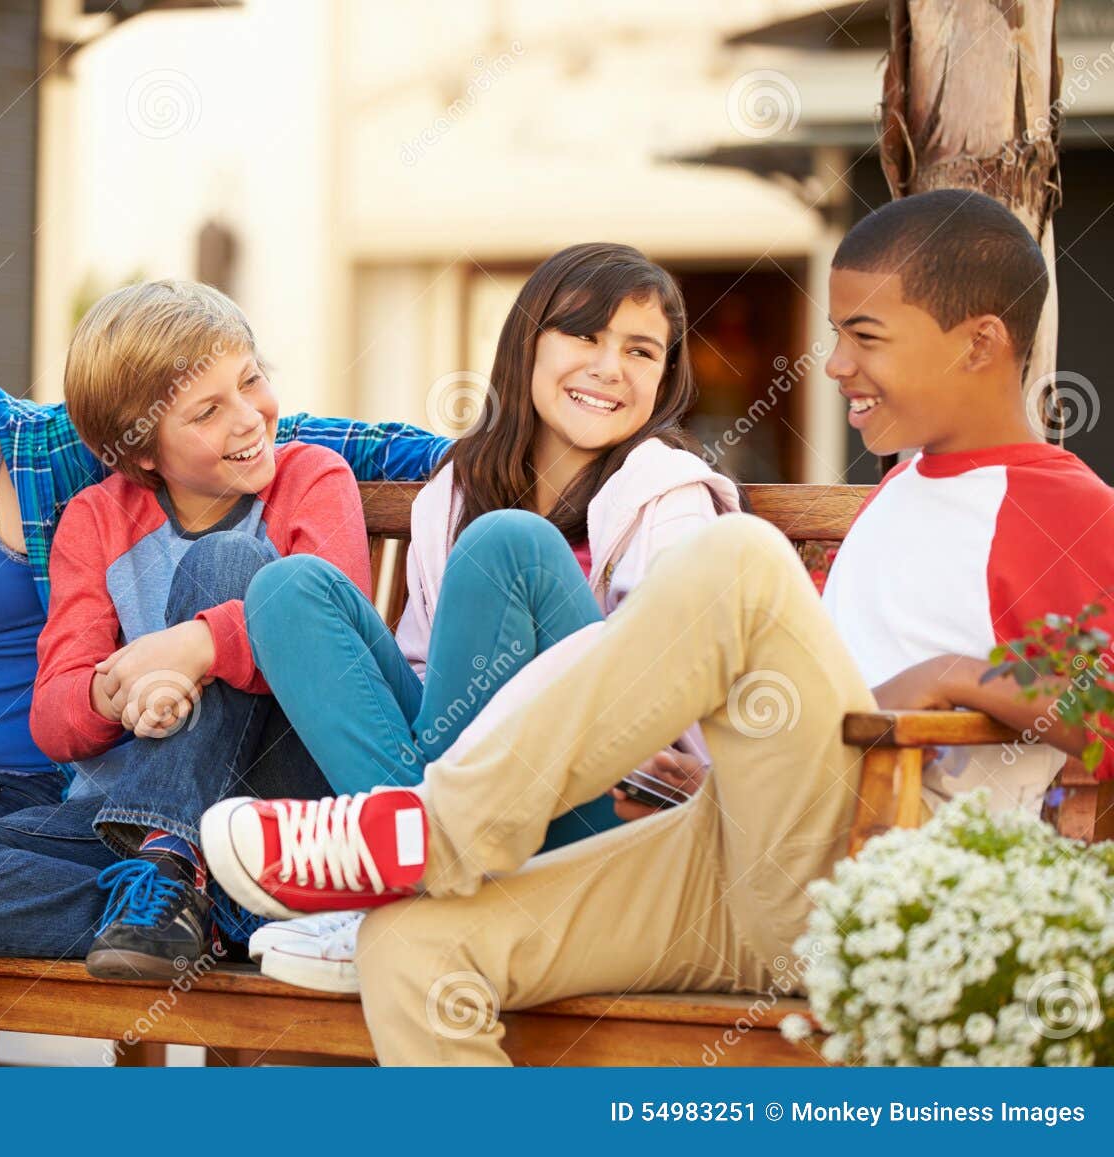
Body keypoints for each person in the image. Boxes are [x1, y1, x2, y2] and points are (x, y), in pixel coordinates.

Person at [200, 189, 1114, 1063]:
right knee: (412, 945)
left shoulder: (1059, 506)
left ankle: (427, 833)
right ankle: (410, 856)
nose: (834, 364)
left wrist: (952, 675)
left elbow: (1100, 715)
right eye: (837, 336)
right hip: (735, 852)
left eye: (864, 337)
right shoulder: (904, 489)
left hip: (869, 869)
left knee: (744, 559)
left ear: (979, 344)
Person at [240, 243, 740, 992]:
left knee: (510, 545)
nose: (610, 367)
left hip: (606, 808)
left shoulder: (670, 492)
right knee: (287, 590)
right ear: (528, 342)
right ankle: (411, 886)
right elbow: (425, 684)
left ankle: (393, 893)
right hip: (465, 805)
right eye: (585, 335)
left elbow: (672, 684)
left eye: (641, 351)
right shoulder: (454, 490)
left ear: (664, 378)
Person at [0, 280, 362, 980]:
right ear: (142, 452)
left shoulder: (312, 478)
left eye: (252, 380)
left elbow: (330, 634)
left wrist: (195, 647)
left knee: (228, 563)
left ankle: (174, 876)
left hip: (277, 817)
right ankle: (200, 914)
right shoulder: (97, 521)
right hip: (119, 823)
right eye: (209, 410)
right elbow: (53, 717)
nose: (250, 417)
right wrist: (118, 691)